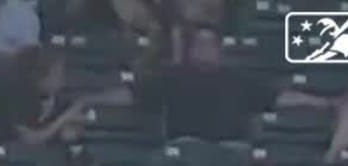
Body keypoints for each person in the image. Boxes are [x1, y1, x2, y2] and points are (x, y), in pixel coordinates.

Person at [123, 25, 328, 143]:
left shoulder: (239, 79)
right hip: (187, 148)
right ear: (190, 49)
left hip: (231, 151)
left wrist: (323, 102)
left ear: (219, 50)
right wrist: (101, 97)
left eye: (209, 44)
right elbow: (133, 96)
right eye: (199, 43)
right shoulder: (172, 77)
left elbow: (279, 98)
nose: (204, 49)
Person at [0, 47, 86, 148]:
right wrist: (64, 119)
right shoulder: (17, 94)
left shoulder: (53, 97)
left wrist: (69, 128)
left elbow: (59, 132)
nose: (63, 79)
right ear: (41, 75)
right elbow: (30, 139)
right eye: (57, 73)